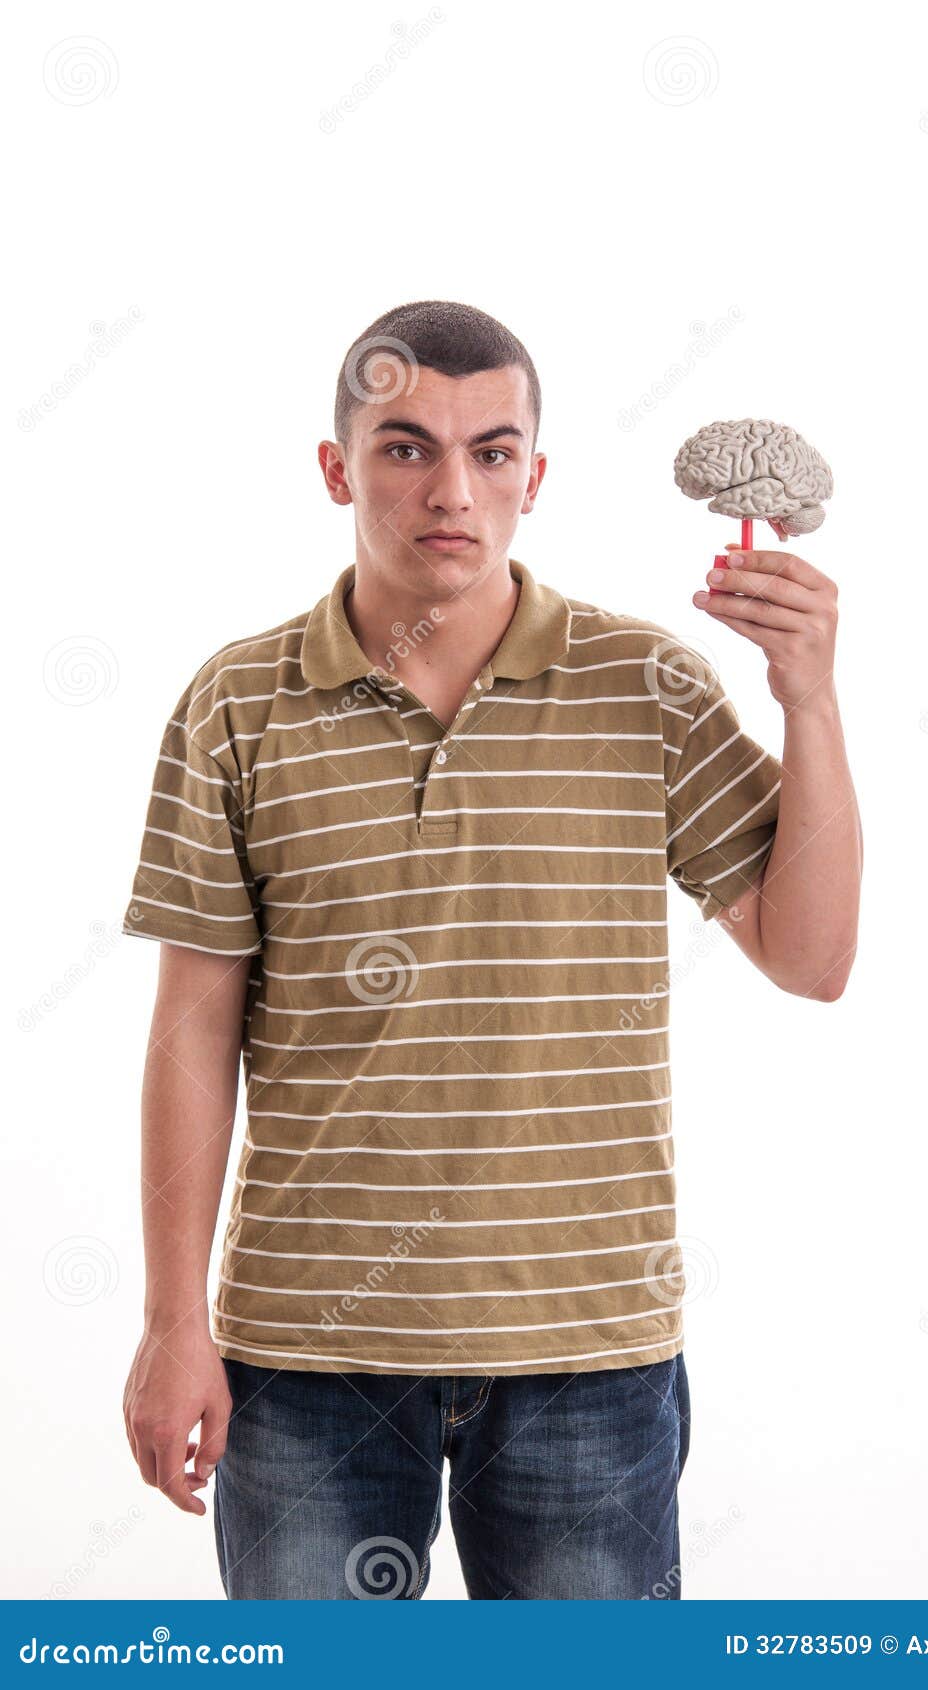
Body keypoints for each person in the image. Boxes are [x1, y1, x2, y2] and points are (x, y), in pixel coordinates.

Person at [120, 299, 862, 1599]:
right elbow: (191, 1032)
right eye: (405, 448)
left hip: (588, 1351)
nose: (451, 488)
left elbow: (813, 956)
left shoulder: (649, 685)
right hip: (307, 1353)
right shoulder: (236, 703)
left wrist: (810, 701)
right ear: (337, 468)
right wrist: (174, 1322)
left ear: (536, 473)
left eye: (492, 451)